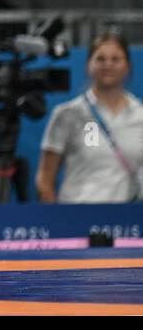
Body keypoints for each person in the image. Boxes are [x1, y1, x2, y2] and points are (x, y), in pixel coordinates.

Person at [37, 31, 143, 203]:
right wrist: (56, 221)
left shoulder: (140, 115)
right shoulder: (67, 114)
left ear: (127, 66)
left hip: (126, 221)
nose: (107, 65)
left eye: (115, 59)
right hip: (77, 217)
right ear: (88, 65)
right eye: (100, 59)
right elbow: (45, 179)